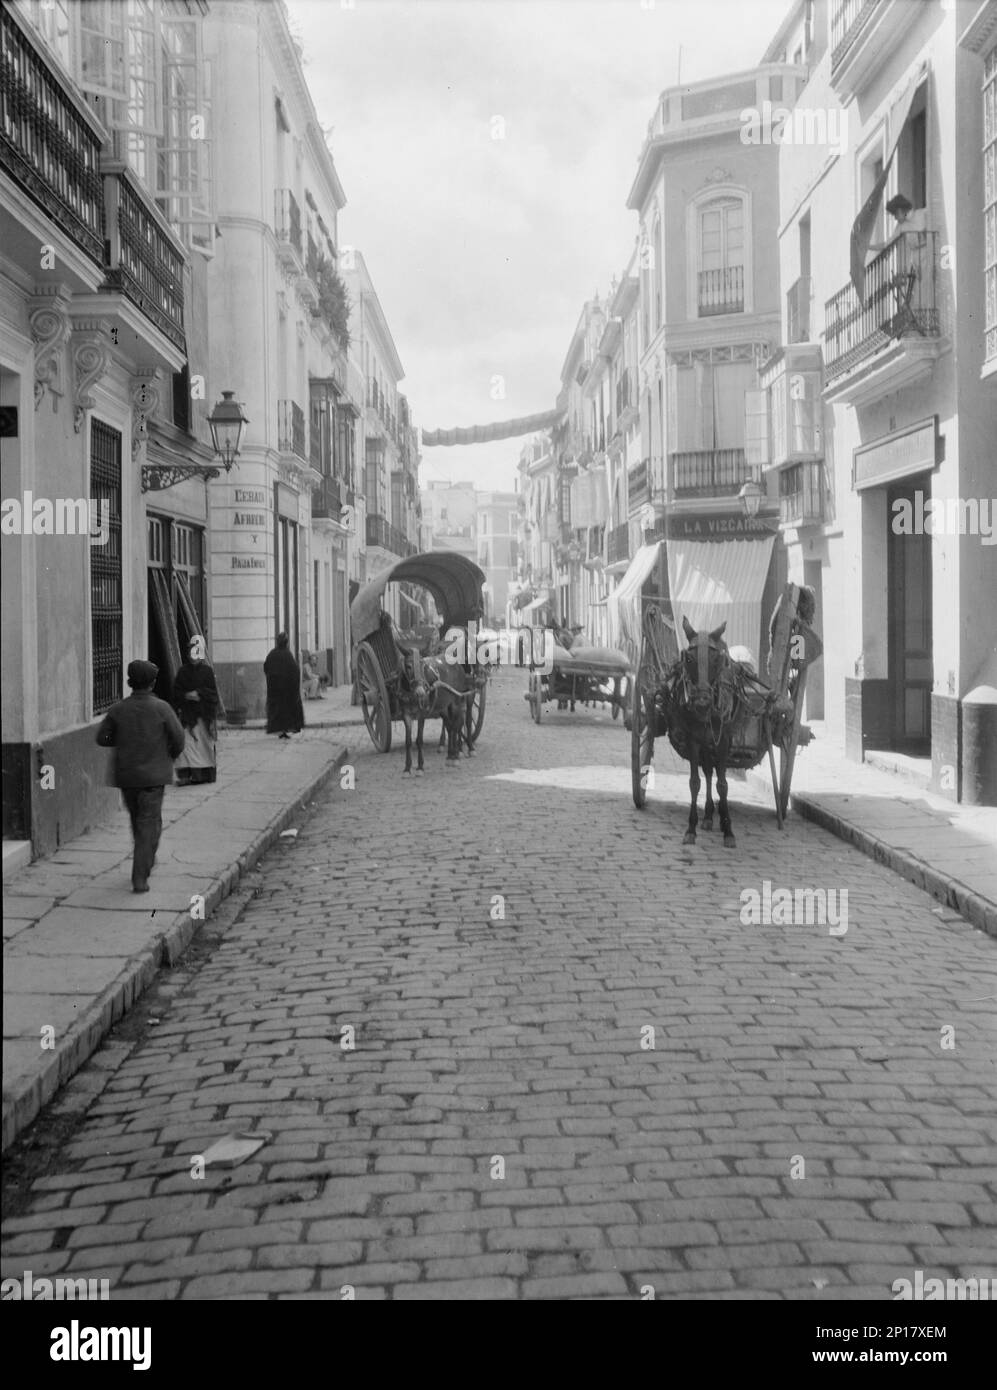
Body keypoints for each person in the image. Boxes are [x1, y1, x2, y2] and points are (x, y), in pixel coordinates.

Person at [95, 659, 185, 893]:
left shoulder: (118, 709)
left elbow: (102, 737)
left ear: (129, 682)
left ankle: (144, 861)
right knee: (150, 826)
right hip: (153, 779)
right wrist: (167, 756)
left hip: (128, 778)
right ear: (152, 683)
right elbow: (178, 739)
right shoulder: (162, 708)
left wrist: (123, 741)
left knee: (138, 822)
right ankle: (140, 876)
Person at [172, 636, 220, 784]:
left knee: (203, 746)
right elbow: (176, 692)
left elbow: (213, 694)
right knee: (186, 747)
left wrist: (199, 693)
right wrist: (186, 696)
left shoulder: (207, 671)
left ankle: (203, 776)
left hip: (203, 716)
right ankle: (185, 776)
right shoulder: (182, 672)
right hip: (187, 716)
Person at [264, 632, 304, 737]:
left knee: (277, 710)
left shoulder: (272, 654)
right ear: (286, 643)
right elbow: (295, 671)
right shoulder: (288, 655)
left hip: (274, 690)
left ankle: (280, 730)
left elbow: (266, 668)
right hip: (286, 691)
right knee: (286, 710)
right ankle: (285, 730)